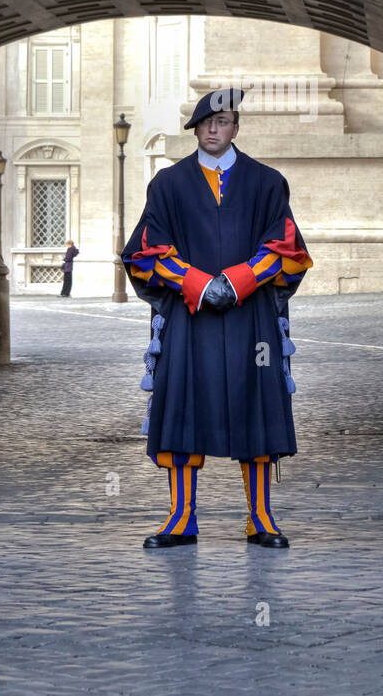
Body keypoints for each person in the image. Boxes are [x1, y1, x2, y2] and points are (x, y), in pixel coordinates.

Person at [122, 88, 313, 550]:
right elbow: (147, 251)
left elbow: (285, 247)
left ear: (235, 127)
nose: (213, 129)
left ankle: (261, 518)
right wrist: (201, 286)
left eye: (223, 121)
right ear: (195, 129)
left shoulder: (268, 183)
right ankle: (181, 518)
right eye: (206, 122)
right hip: (190, 319)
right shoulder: (167, 185)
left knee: (257, 408)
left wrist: (239, 281)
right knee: (183, 410)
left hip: (253, 323)